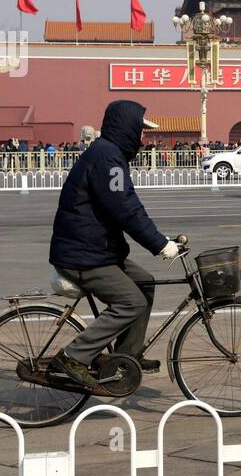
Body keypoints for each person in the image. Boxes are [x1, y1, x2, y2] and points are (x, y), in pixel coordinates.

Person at [47, 100, 181, 389]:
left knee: (144, 282)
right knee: (130, 302)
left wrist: (160, 239)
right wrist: (160, 245)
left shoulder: (109, 155)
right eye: (140, 131)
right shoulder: (108, 158)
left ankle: (125, 355)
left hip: (96, 250)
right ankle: (74, 356)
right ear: (127, 129)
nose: (143, 139)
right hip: (84, 255)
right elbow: (125, 209)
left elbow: (128, 206)